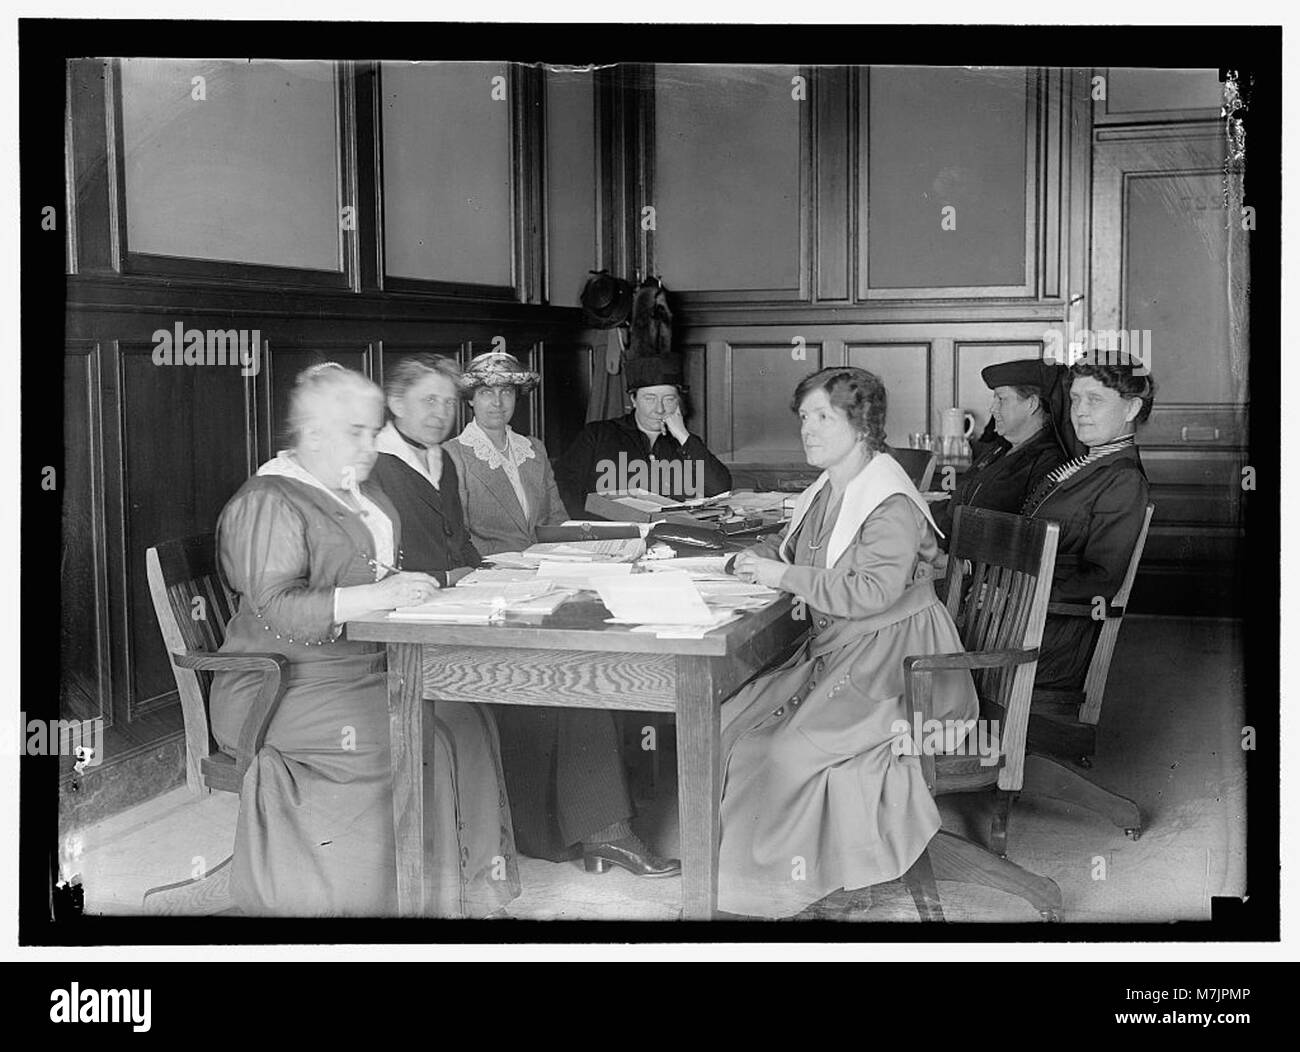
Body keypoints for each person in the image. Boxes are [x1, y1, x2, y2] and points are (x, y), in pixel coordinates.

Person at [209, 363, 518, 916]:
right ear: (313, 433)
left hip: (363, 665)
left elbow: (375, 574)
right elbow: (277, 609)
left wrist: (421, 589)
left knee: (465, 716)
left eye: (372, 431)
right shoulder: (269, 499)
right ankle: (389, 906)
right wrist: (376, 598)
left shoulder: (358, 486)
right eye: (356, 432)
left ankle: (466, 895)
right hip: (280, 681)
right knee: (405, 733)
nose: (370, 446)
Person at [719, 367, 979, 919]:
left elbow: (871, 591)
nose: (807, 431)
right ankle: (761, 886)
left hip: (902, 663)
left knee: (791, 749)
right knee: (736, 724)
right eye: (805, 419)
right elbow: (809, 550)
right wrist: (766, 556)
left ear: (861, 425)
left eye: (823, 418)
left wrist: (780, 578)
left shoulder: (889, 499)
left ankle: (802, 887)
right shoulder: (831, 484)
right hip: (849, 646)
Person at [444, 351, 679, 877]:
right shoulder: (453, 458)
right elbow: (455, 543)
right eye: (486, 393)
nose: (498, 402)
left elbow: (553, 522)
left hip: (546, 585)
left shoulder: (532, 451)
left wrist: (593, 550)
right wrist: (513, 568)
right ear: (471, 400)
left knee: (602, 657)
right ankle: (601, 831)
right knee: (575, 678)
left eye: (507, 392)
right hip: (494, 595)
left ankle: (601, 826)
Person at [368, 354, 523, 913]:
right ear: (395, 404)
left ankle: (486, 873)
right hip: (393, 631)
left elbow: (458, 546)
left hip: (447, 613)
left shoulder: (444, 461)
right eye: (427, 401)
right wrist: (451, 578)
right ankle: (464, 887)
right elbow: (373, 569)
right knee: (466, 717)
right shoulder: (373, 466)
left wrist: (500, 574)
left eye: (448, 402)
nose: (440, 413)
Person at [1023, 353, 1154, 691]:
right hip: (1022, 619)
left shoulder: (1123, 479)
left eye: (1094, 400)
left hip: (1051, 634)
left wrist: (1015, 598)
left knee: (906, 644)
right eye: (1076, 399)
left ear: (1131, 409)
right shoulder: (1087, 464)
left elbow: (1101, 579)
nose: (1080, 410)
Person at [554, 350, 732, 518]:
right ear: (633, 400)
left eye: (669, 399)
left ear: (678, 402)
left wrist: (683, 435)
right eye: (650, 398)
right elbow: (565, 488)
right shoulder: (598, 434)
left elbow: (720, 489)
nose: (659, 409)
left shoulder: (687, 443)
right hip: (612, 536)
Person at [932, 359, 1070, 545]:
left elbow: (1020, 536)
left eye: (1001, 399)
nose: (992, 408)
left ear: (1031, 404)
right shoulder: (998, 449)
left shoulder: (1048, 462)